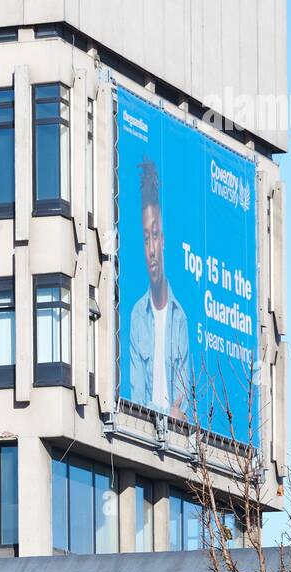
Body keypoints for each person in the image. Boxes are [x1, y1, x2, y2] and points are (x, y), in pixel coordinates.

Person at [128, 158, 192, 425]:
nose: (151, 248)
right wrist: (166, 413)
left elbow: (183, 403)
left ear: (163, 241)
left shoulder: (180, 318)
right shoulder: (136, 316)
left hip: (176, 441)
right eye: (145, 238)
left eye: (155, 235)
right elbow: (136, 399)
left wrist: (170, 415)